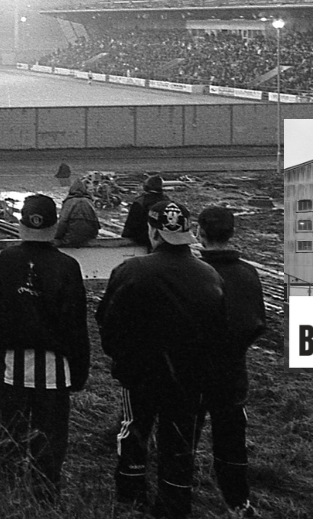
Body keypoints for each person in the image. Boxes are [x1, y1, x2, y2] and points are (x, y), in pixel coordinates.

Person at [97, 199, 227, 518]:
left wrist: (123, 361)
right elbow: (218, 335)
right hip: (188, 379)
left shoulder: (131, 270)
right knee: (179, 442)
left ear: (153, 232)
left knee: (134, 433)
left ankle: (131, 499)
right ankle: (174, 503)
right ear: (185, 232)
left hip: (139, 375)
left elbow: (107, 322)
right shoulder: (209, 276)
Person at [0, 194, 90, 497]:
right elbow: (77, 329)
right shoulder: (68, 267)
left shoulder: (6, 261)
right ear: (53, 227)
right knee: (49, 448)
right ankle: (45, 499)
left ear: (22, 225)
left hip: (8, 369)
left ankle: (1, 498)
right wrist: (77, 374)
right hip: (53, 375)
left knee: (4, 443)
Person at [195, 206, 266, 518]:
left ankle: (177, 492)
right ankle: (238, 502)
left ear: (200, 232)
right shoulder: (248, 273)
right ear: (231, 233)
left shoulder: (192, 272)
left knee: (184, 432)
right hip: (232, 371)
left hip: (191, 371)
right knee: (231, 441)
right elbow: (258, 323)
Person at [121, 175, 167, 250]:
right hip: (164, 239)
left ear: (146, 187)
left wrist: (125, 238)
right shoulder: (168, 201)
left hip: (143, 241)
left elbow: (131, 224)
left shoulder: (140, 202)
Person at [55, 179, 102, 247]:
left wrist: (57, 237)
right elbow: (96, 224)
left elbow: (62, 222)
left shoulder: (69, 202)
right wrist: (93, 236)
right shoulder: (89, 202)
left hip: (69, 239)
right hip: (88, 238)